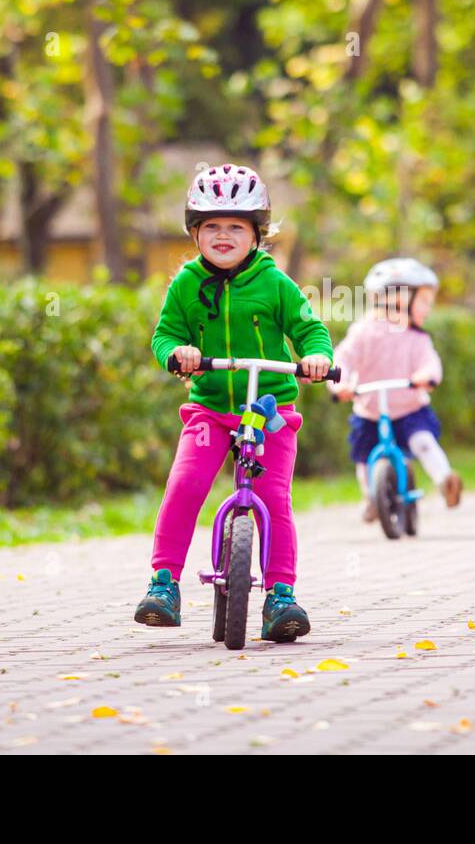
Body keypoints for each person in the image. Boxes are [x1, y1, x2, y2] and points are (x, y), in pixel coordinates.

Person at [134, 164, 333, 641]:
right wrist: (177, 355)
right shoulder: (185, 284)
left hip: (268, 410)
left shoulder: (275, 283)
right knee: (184, 484)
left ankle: (281, 595)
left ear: (256, 234)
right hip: (209, 408)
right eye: (212, 227)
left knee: (273, 499)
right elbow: (166, 335)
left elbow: (311, 330)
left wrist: (316, 357)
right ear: (195, 233)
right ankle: (164, 584)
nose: (223, 236)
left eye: (235, 227)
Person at [333, 257, 463, 521]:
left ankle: (445, 480)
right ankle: (372, 497)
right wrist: (340, 383)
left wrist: (426, 376)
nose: (428, 309)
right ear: (400, 299)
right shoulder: (362, 332)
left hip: (409, 408)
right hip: (370, 410)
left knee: (422, 441)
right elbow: (342, 359)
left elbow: (430, 362)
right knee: (364, 458)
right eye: (425, 302)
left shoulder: (417, 338)